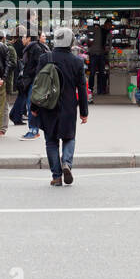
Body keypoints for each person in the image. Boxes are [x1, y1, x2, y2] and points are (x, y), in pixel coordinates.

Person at [36, 26, 89, 186]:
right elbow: (82, 88)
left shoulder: (45, 58)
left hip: (47, 106)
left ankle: (56, 176)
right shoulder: (77, 62)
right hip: (68, 106)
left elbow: (37, 85)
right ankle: (66, 162)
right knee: (69, 137)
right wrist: (84, 112)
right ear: (71, 42)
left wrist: (33, 107)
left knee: (51, 141)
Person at [18, 30, 48, 138]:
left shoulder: (35, 48)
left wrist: (29, 75)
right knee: (31, 105)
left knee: (31, 105)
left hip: (34, 81)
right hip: (32, 80)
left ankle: (34, 130)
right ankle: (34, 129)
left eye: (24, 37)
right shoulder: (34, 47)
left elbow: (37, 66)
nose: (22, 39)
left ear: (29, 38)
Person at [87, 17, 112, 96]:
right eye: (108, 25)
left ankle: (101, 90)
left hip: (101, 54)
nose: (109, 27)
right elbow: (89, 37)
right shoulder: (97, 30)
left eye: (110, 26)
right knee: (92, 73)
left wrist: (107, 49)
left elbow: (109, 45)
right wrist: (90, 44)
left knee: (102, 73)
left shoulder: (109, 34)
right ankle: (90, 89)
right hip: (94, 54)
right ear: (105, 24)